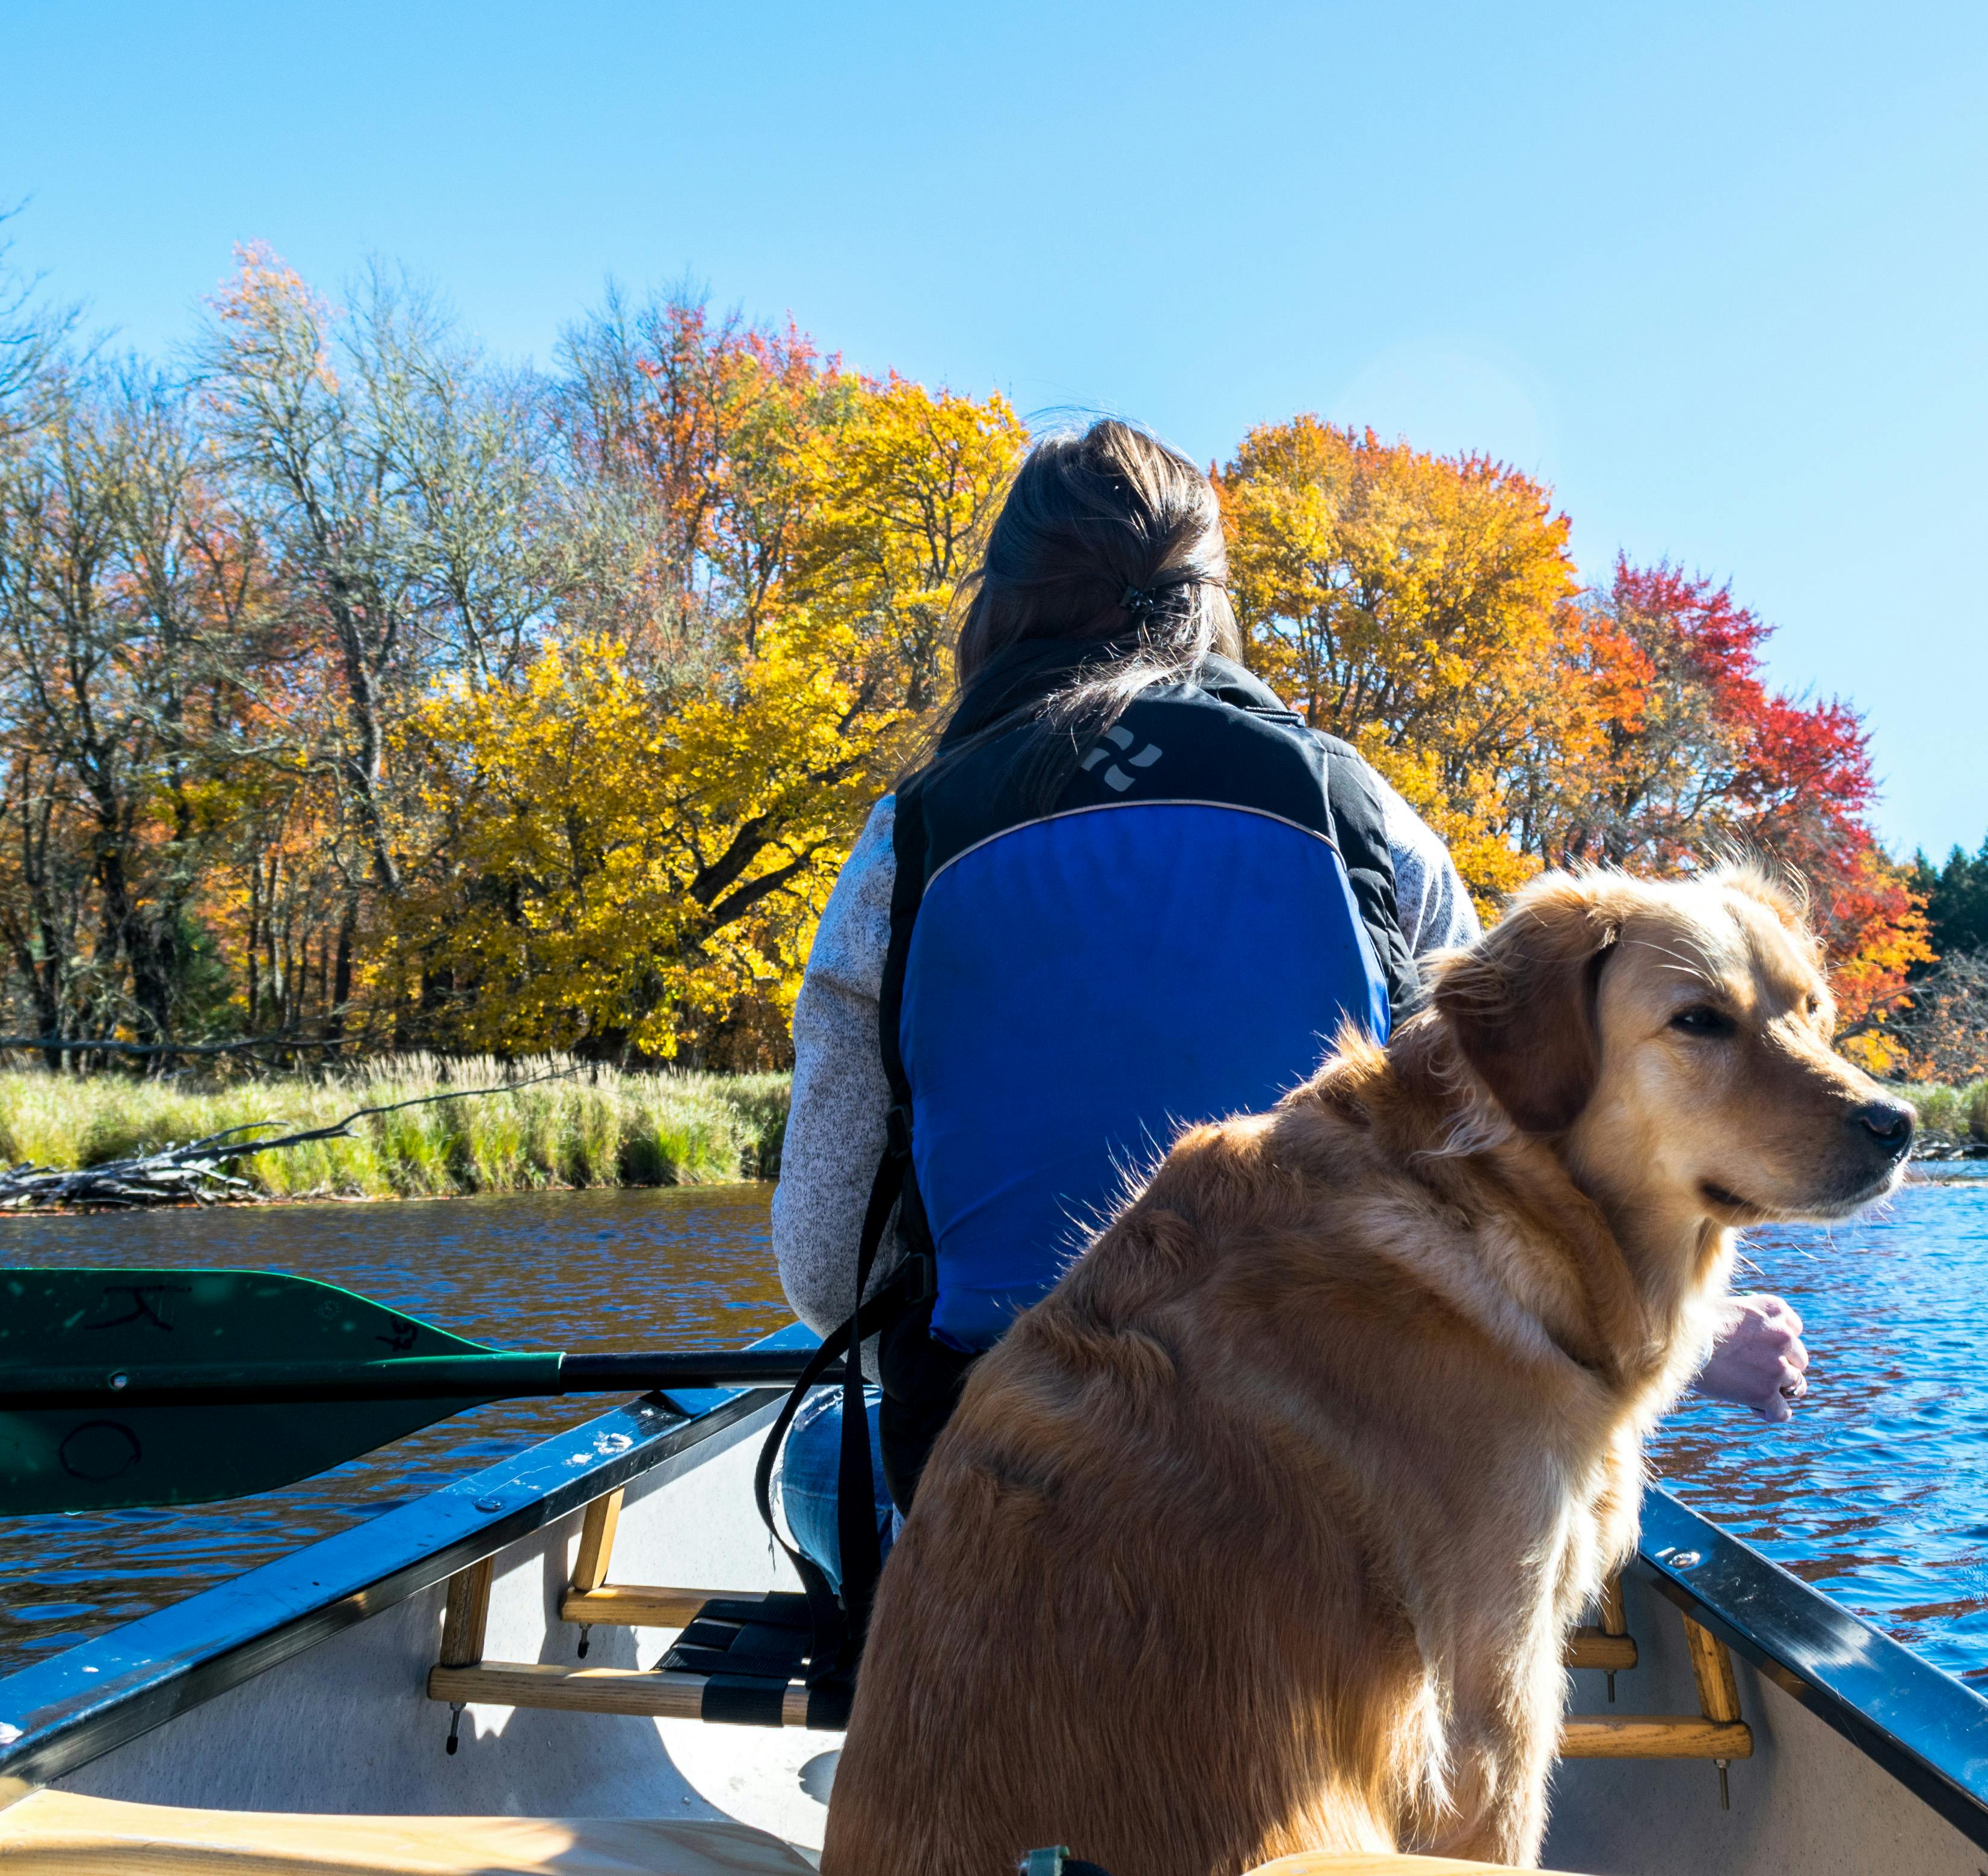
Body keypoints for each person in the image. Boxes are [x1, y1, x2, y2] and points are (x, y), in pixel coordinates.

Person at [769, 418, 1808, 1575]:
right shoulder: (1360, 814)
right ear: (1212, 602)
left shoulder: (905, 844)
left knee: (820, 1453)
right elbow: (1525, 1172)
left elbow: (825, 1276)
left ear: (1002, 605)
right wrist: (1697, 1335)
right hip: (1347, 1493)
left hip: (1019, 1484)